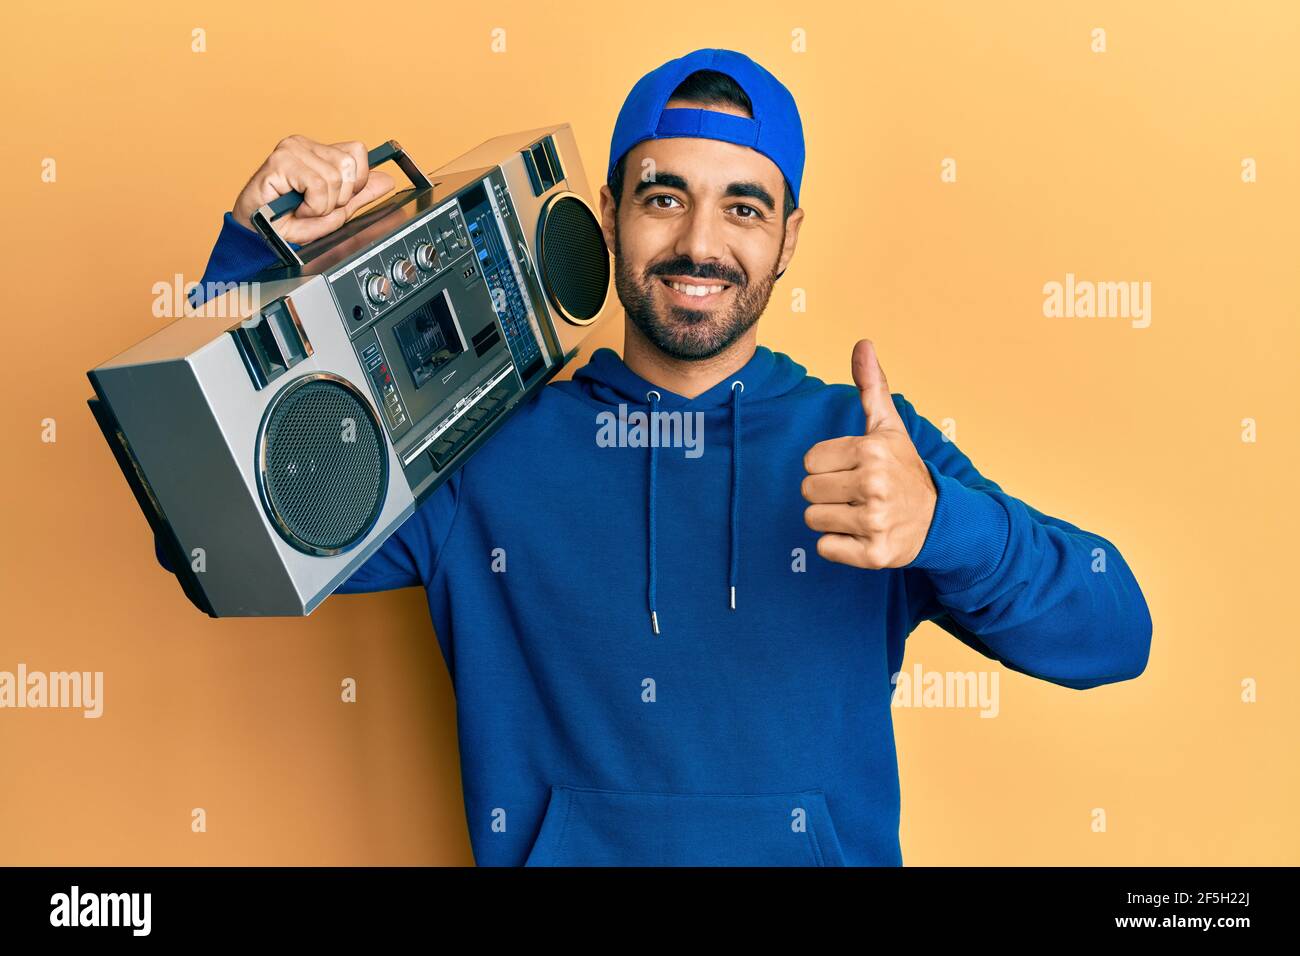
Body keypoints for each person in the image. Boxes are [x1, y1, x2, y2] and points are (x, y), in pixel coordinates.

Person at [157, 48, 1152, 866]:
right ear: (609, 215)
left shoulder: (869, 450)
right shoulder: (484, 447)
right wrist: (253, 257)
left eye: (744, 207)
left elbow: (1116, 632)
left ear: (788, 239)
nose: (699, 243)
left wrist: (946, 525)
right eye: (664, 197)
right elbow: (213, 547)